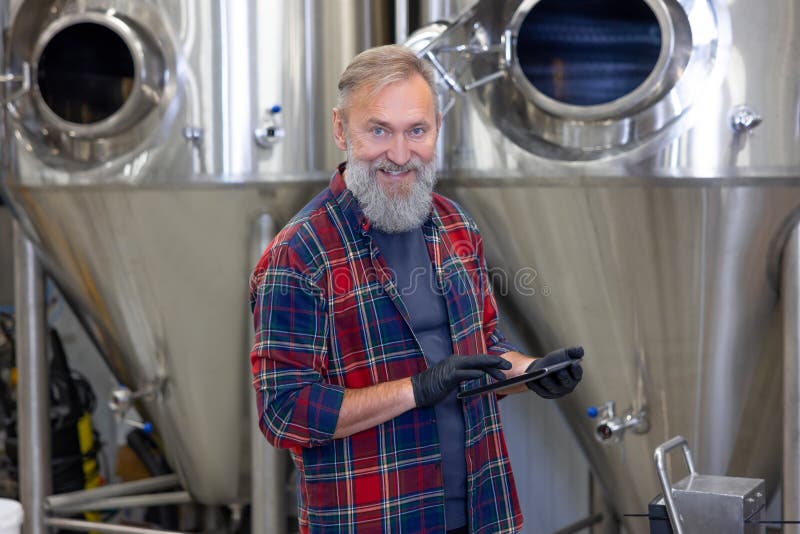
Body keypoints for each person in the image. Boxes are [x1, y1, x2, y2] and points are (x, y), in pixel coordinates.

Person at [250, 44, 583, 534]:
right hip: (375, 517)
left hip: (482, 509)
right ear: (341, 129)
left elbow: (483, 350)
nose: (400, 155)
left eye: (417, 131)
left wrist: (530, 371)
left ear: (437, 131)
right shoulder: (298, 255)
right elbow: (283, 412)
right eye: (379, 130)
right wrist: (415, 390)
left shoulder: (455, 226)